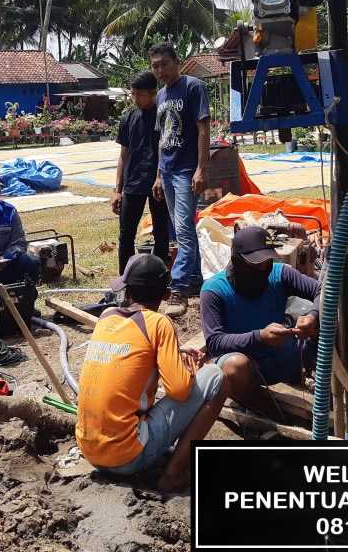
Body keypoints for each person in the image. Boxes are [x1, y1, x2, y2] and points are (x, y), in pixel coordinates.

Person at [76, 254, 229, 493]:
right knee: (216, 377)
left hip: (90, 452)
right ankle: (173, 475)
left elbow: (132, 351)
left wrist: (175, 351)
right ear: (167, 295)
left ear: (127, 293)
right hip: (127, 459)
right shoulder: (159, 323)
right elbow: (179, 391)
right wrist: (188, 368)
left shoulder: (107, 317)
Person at [203, 226, 322, 419]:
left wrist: (313, 317)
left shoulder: (280, 273)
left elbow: (322, 290)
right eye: (256, 265)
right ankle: (268, 411)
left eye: (267, 263)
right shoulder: (214, 290)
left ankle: (328, 385)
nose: (263, 269)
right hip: (250, 368)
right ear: (237, 259)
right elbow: (214, 342)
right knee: (233, 368)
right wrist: (259, 337)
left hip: (285, 355)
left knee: (329, 319)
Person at [150, 43, 210, 318]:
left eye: (164, 63)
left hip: (187, 170)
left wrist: (201, 169)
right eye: (155, 66)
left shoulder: (193, 87)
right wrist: (159, 175)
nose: (160, 70)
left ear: (177, 62)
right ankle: (195, 280)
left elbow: (203, 130)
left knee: (183, 230)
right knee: (183, 229)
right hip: (169, 170)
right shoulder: (161, 95)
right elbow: (162, 138)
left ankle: (180, 288)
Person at [114, 71, 170, 273]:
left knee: (161, 232)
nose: (135, 99)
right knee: (126, 234)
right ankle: (125, 278)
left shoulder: (163, 116)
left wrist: (159, 177)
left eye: (140, 95)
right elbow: (123, 155)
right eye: (133, 94)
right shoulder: (128, 118)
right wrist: (117, 190)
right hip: (133, 182)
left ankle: (160, 276)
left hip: (158, 183)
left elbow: (164, 149)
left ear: (153, 93)